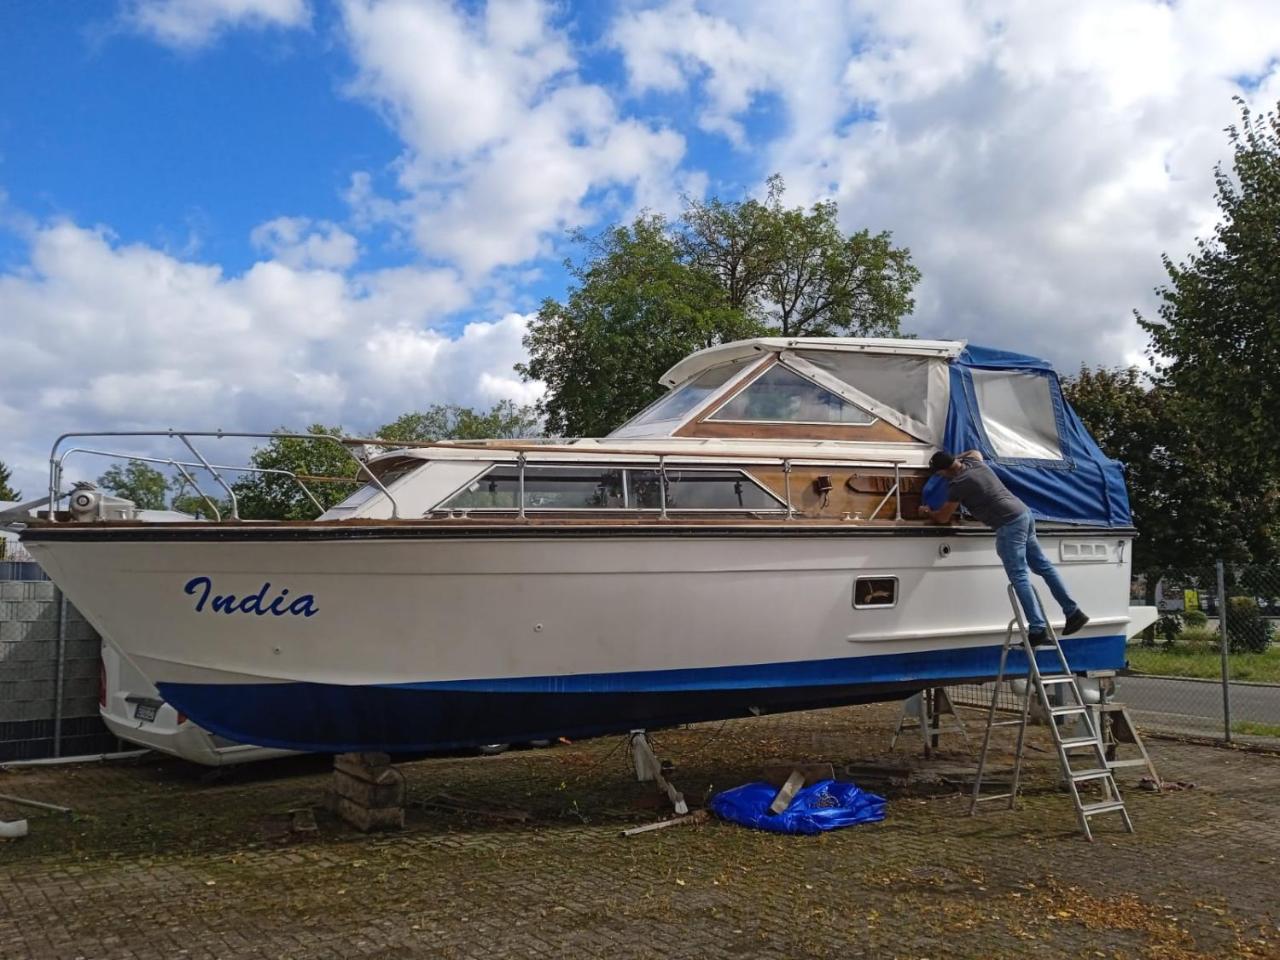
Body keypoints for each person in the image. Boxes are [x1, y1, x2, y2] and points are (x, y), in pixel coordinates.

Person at [920, 449, 1088, 647]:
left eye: (939, 474)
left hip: (1008, 524)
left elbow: (943, 517)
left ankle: (1037, 629)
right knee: (1043, 567)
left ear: (943, 471)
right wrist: (956, 458)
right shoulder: (974, 463)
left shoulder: (959, 484)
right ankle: (1073, 612)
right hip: (1023, 514)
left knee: (1019, 576)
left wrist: (927, 512)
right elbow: (975, 451)